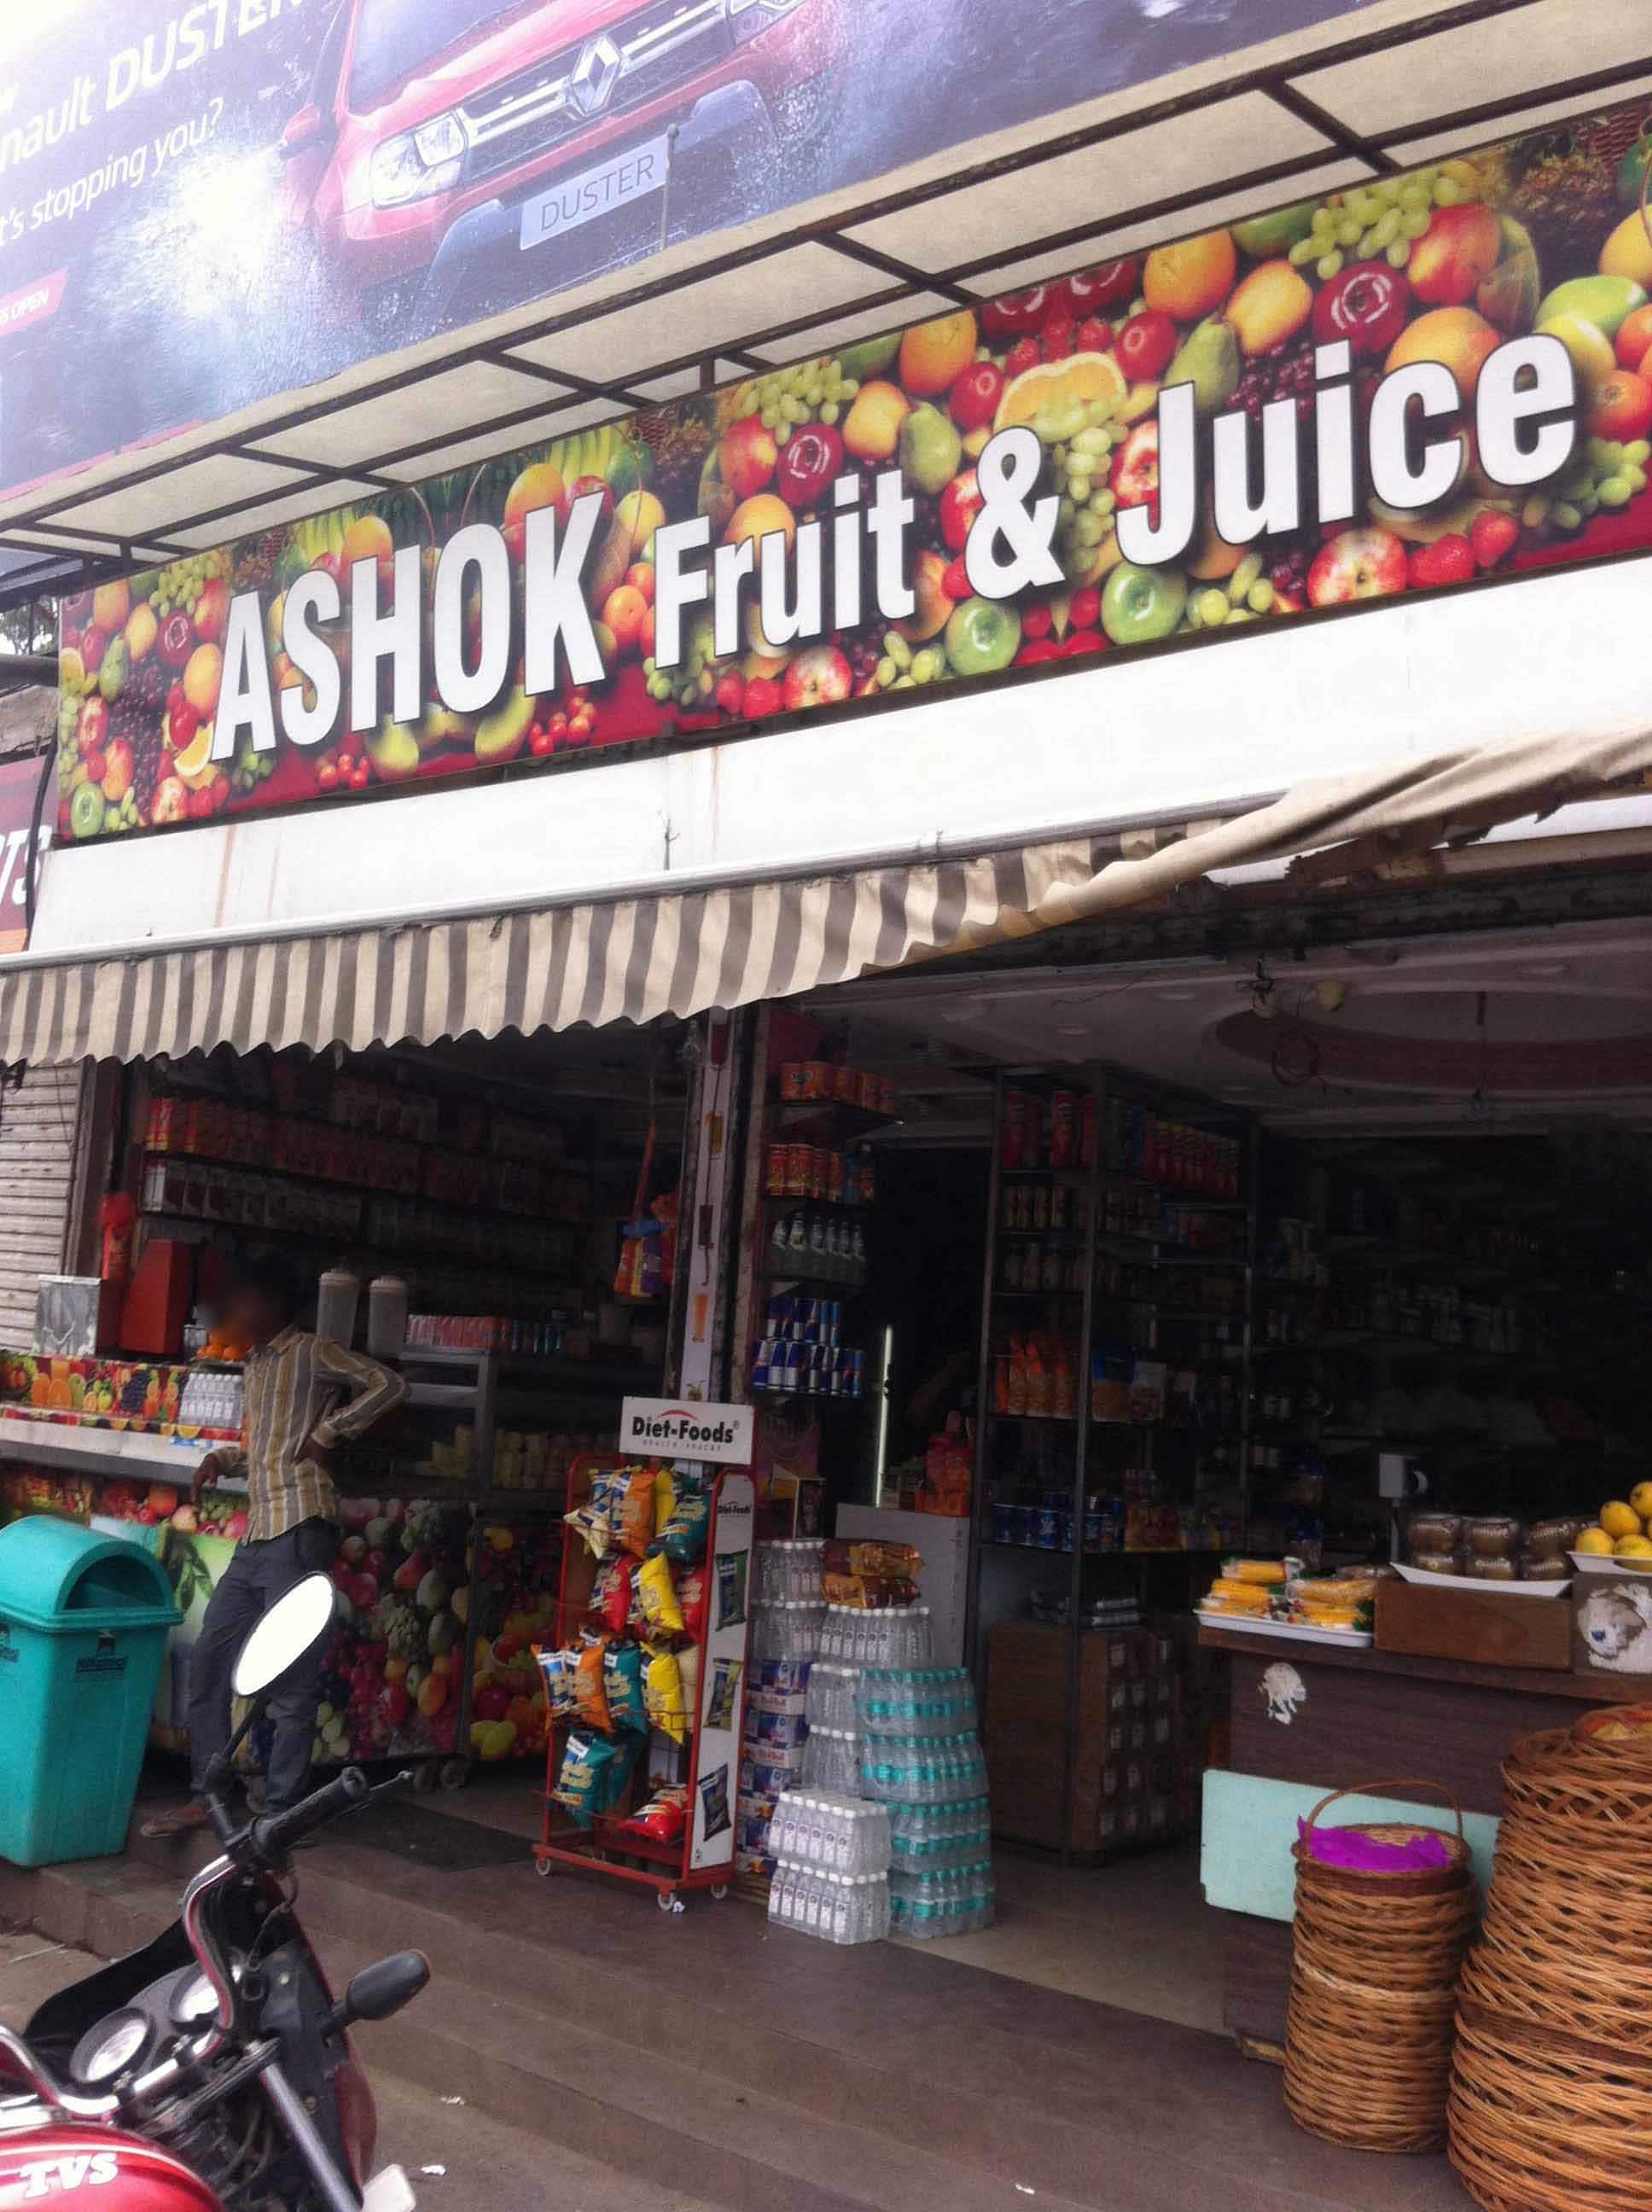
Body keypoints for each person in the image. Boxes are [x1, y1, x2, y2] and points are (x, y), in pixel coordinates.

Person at [142, 1256, 407, 1840]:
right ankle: (205, 1792)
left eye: (242, 1302)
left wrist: (329, 1432)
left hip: (300, 1526)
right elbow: (258, 1444)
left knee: (291, 1680)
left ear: (269, 1303)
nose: (234, 1313)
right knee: (210, 1659)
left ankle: (284, 1811)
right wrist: (223, 1459)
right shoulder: (257, 1365)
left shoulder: (311, 1352)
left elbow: (389, 1383)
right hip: (259, 1532)